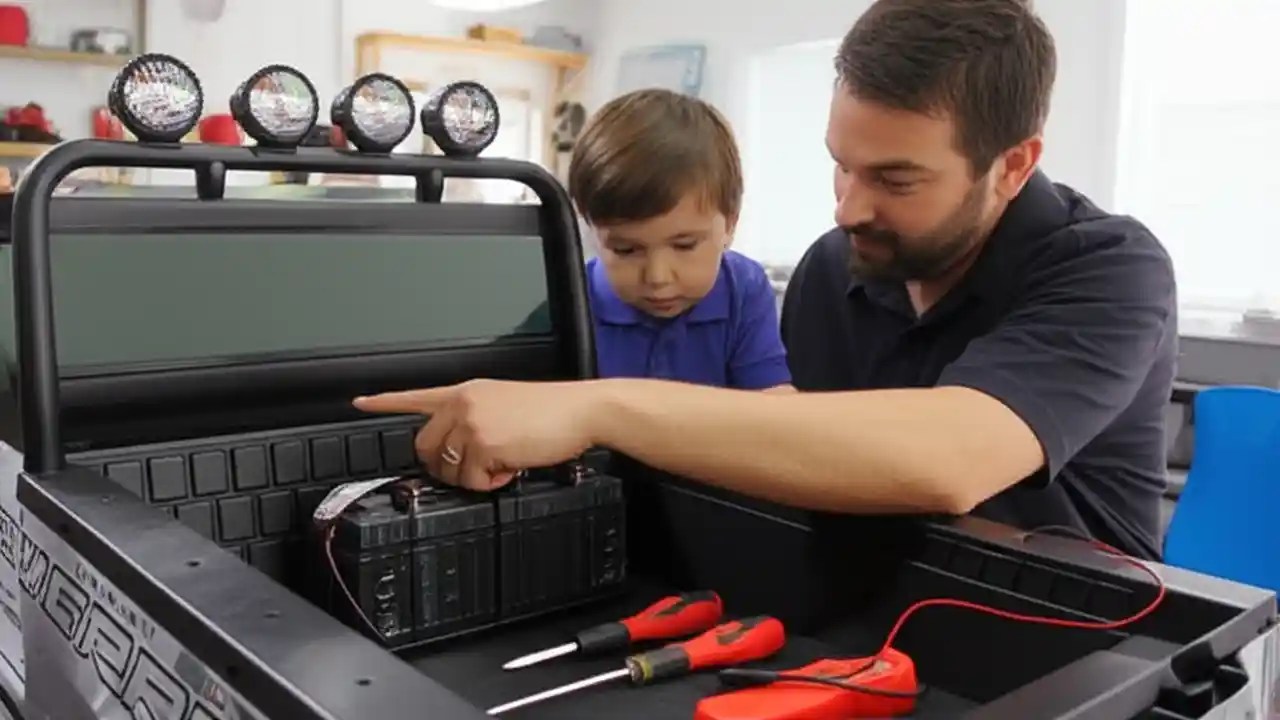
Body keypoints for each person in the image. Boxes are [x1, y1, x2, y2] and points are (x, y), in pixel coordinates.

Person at [354, 0, 1177, 560]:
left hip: (1087, 641)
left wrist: (596, 404)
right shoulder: (837, 267)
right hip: (877, 623)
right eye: (839, 167)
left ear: (1012, 166)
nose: (849, 208)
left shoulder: (1109, 270)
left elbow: (948, 459)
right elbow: (801, 470)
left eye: (894, 180)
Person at [569, 88, 791, 391]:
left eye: (684, 245)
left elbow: (772, 404)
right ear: (591, 230)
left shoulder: (745, 288)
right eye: (626, 249)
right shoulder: (570, 299)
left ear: (730, 223)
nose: (658, 277)